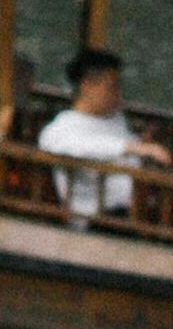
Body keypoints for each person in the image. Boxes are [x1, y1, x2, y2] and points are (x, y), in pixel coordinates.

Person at [36, 42, 145, 222]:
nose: (117, 94)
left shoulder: (115, 120)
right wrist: (129, 148)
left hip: (131, 211)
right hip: (93, 218)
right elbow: (58, 144)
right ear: (87, 86)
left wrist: (139, 147)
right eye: (111, 87)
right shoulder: (63, 126)